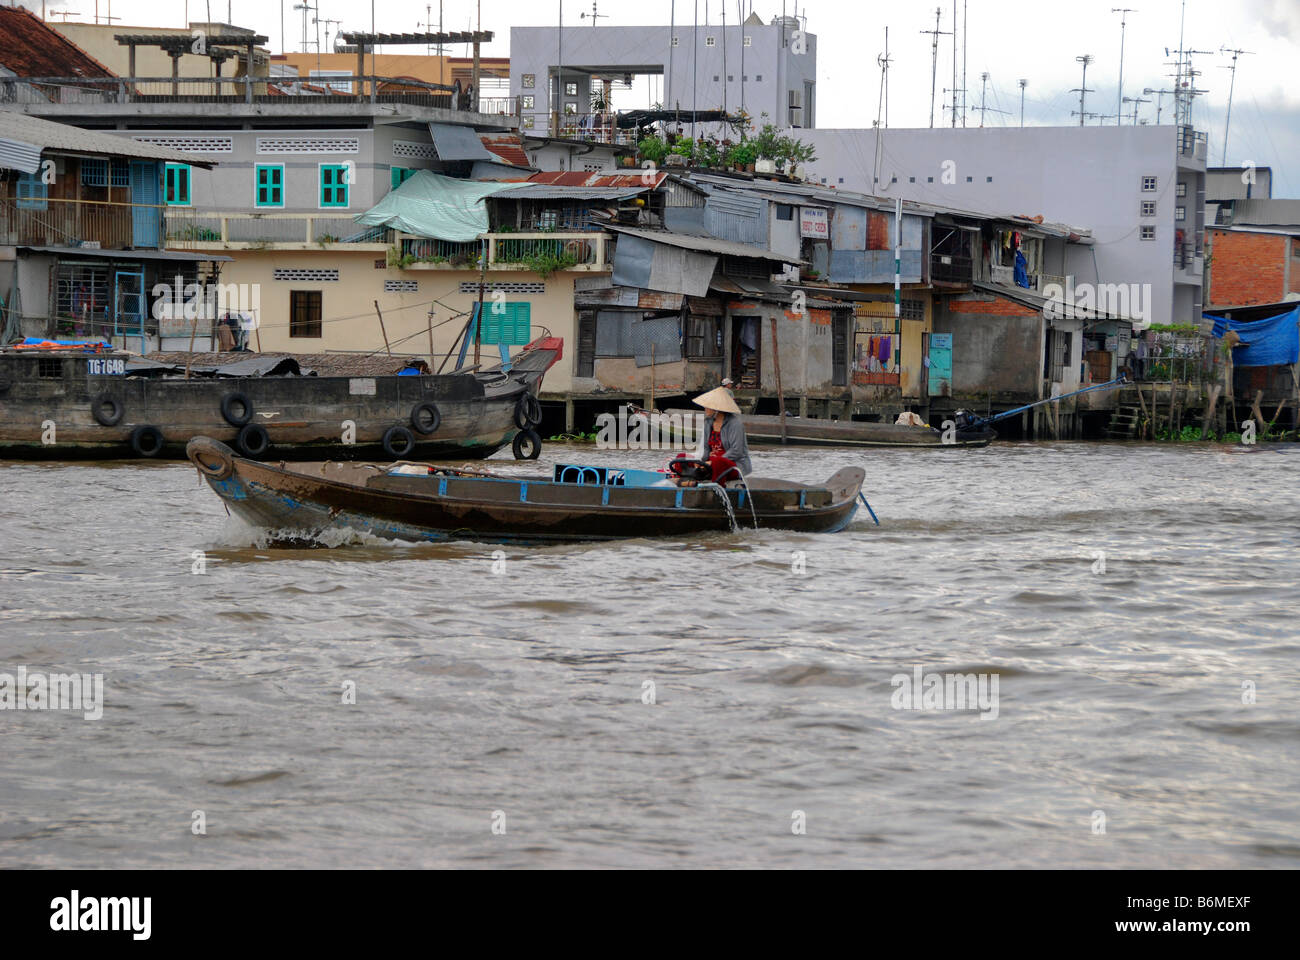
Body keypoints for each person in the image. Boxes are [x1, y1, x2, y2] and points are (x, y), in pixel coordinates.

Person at [672, 387, 752, 487]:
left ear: (717, 408)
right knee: (681, 458)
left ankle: (718, 489)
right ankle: (684, 485)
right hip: (710, 463)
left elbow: (737, 451)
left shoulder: (735, 424)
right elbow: (706, 448)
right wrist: (702, 462)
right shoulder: (708, 422)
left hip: (733, 465)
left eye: (708, 406)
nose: (705, 408)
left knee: (718, 462)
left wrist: (712, 462)